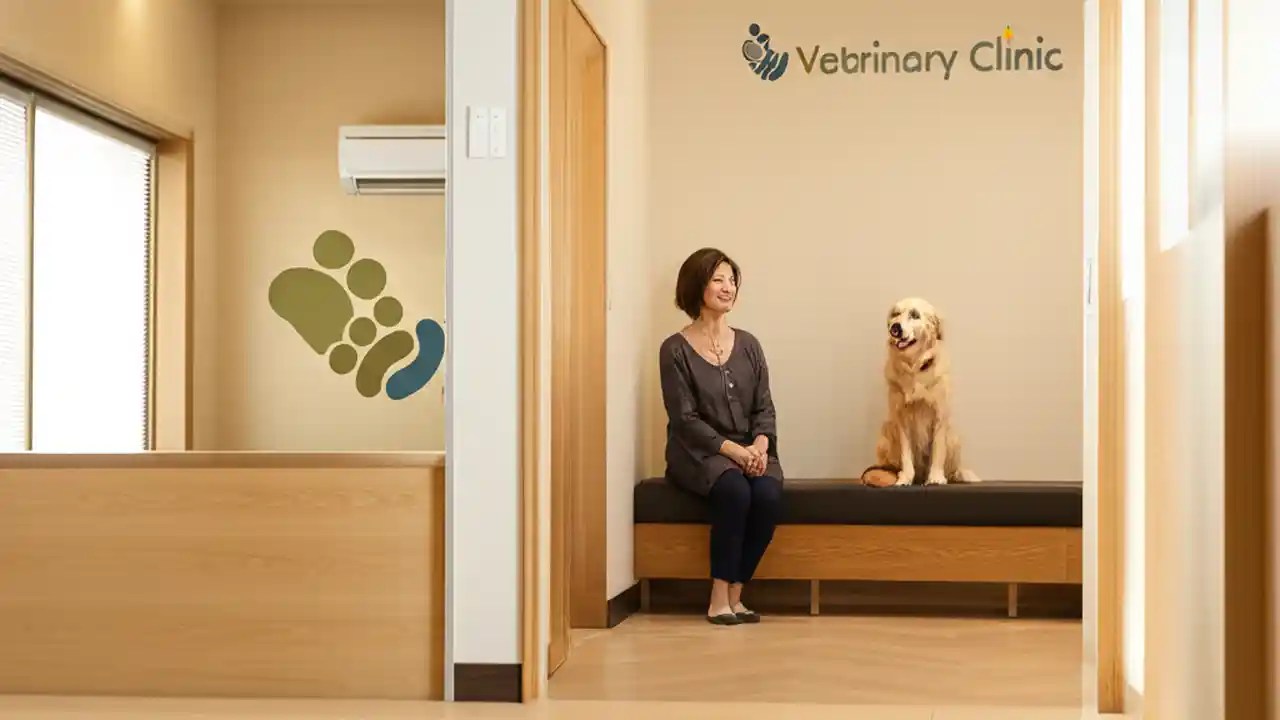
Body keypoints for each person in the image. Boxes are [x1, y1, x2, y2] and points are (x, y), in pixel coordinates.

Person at [658, 247, 784, 625]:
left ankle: (736, 593)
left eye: (732, 280)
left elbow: (765, 408)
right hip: (698, 452)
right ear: (697, 285)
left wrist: (759, 447)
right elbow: (685, 419)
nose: (728, 287)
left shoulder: (749, 344)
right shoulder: (674, 349)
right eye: (718, 279)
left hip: (749, 447)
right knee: (734, 490)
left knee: (767, 493)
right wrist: (734, 453)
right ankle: (717, 598)